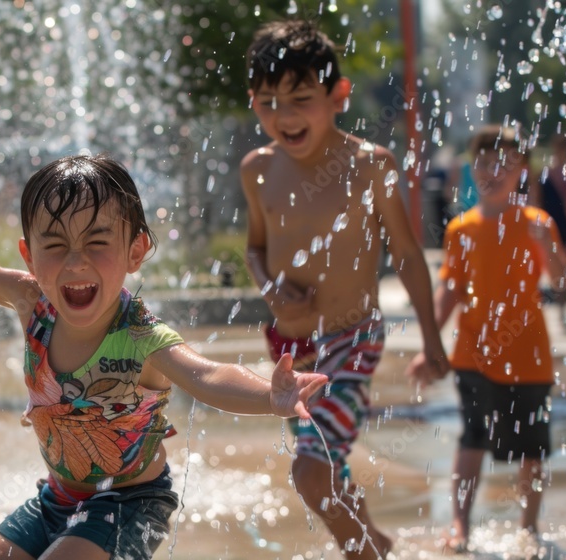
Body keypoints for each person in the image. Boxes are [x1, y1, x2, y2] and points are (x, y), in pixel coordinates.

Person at [0, 125, 329, 560]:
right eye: (55, 245)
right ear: (28, 254)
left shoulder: (141, 338)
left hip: (133, 506)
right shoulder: (32, 304)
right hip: (57, 500)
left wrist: (270, 395)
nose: (75, 262)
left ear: (136, 250)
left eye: (96, 242)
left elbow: (208, 375)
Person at [240, 19, 450, 559]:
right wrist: (268, 289)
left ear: (338, 96)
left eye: (301, 98)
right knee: (324, 463)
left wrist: (432, 340)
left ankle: (365, 555)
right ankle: (373, 540)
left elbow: (406, 255)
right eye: (267, 102)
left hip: (352, 341)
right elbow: (254, 249)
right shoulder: (258, 170)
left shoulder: (369, 166)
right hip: (291, 345)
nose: (283, 116)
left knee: (311, 471)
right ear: (252, 100)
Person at [434, 125, 566, 553]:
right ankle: (460, 525)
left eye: (506, 165)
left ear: (522, 172)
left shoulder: (536, 222)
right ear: (472, 169)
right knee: (472, 438)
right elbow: (451, 290)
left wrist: (546, 248)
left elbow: (562, 282)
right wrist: (430, 344)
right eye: (486, 163)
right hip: (472, 354)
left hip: (529, 354)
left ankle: (527, 525)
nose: (495, 171)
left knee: (534, 447)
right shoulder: (461, 229)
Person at [539, 133, 566, 331]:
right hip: (555, 221)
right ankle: (564, 309)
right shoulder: (548, 170)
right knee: (558, 265)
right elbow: (541, 197)